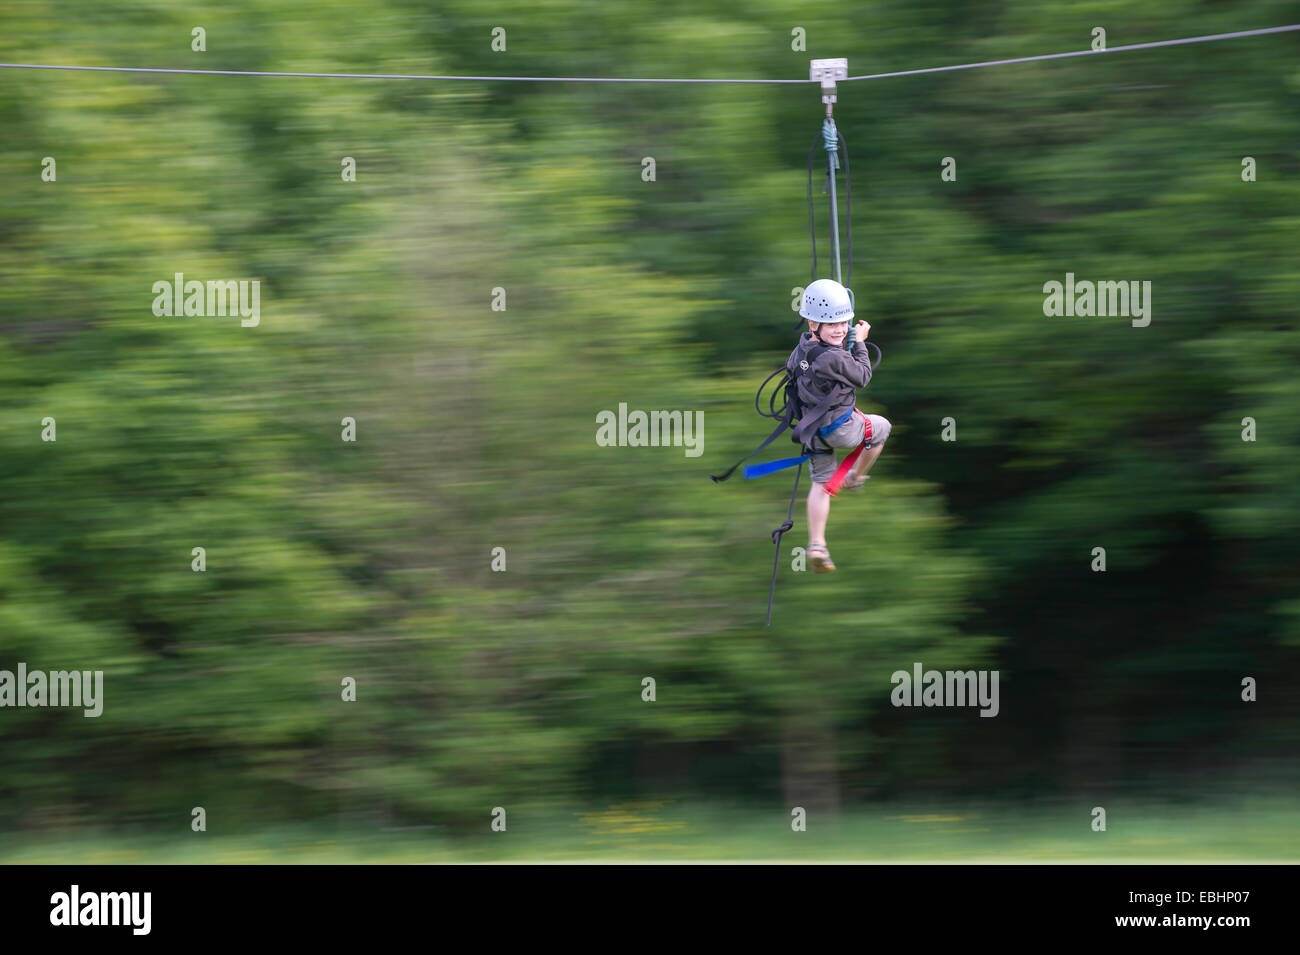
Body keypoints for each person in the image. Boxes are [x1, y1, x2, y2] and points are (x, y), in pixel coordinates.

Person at [790, 279, 892, 572]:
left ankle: (817, 545)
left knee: (821, 484)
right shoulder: (833, 356)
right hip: (839, 428)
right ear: (812, 323)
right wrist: (858, 341)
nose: (840, 329)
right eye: (831, 323)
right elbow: (862, 376)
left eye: (844, 322)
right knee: (881, 427)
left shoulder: (801, 350)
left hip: (811, 431)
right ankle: (855, 478)